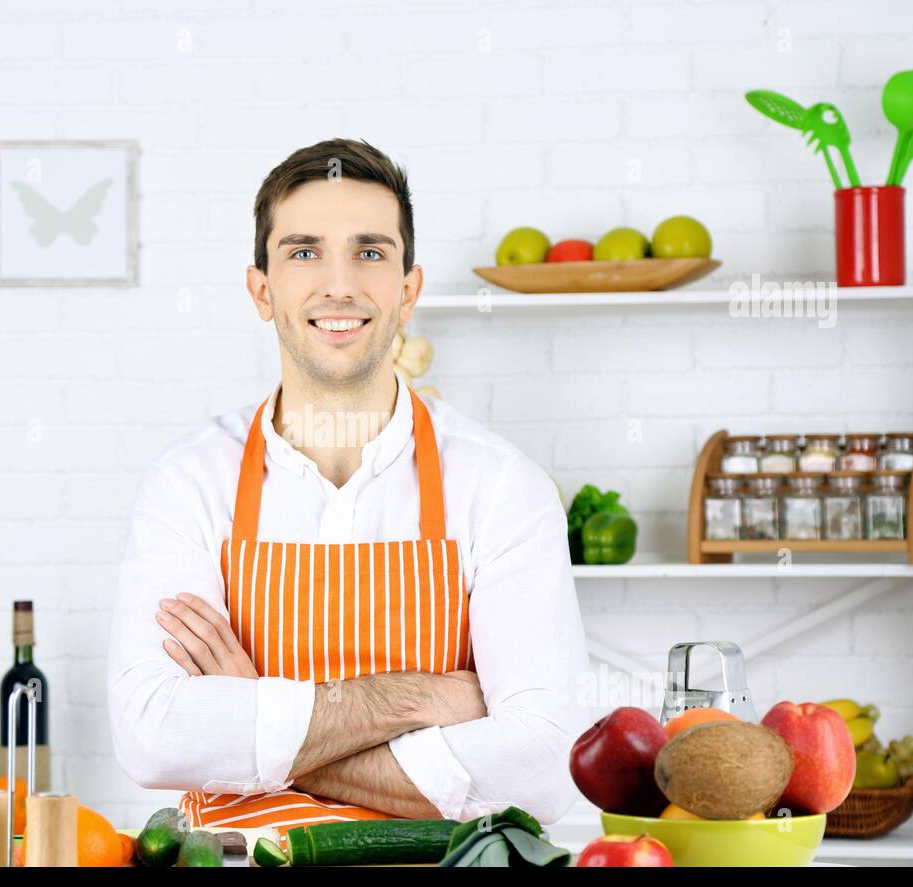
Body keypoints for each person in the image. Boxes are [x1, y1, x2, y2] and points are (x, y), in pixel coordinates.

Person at [108, 137, 590, 832]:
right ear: (262, 290)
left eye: (369, 252)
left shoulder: (501, 487)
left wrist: (255, 714)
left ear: (408, 290)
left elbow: (545, 766)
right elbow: (152, 735)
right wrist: (413, 700)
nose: (339, 285)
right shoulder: (188, 485)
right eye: (304, 252)